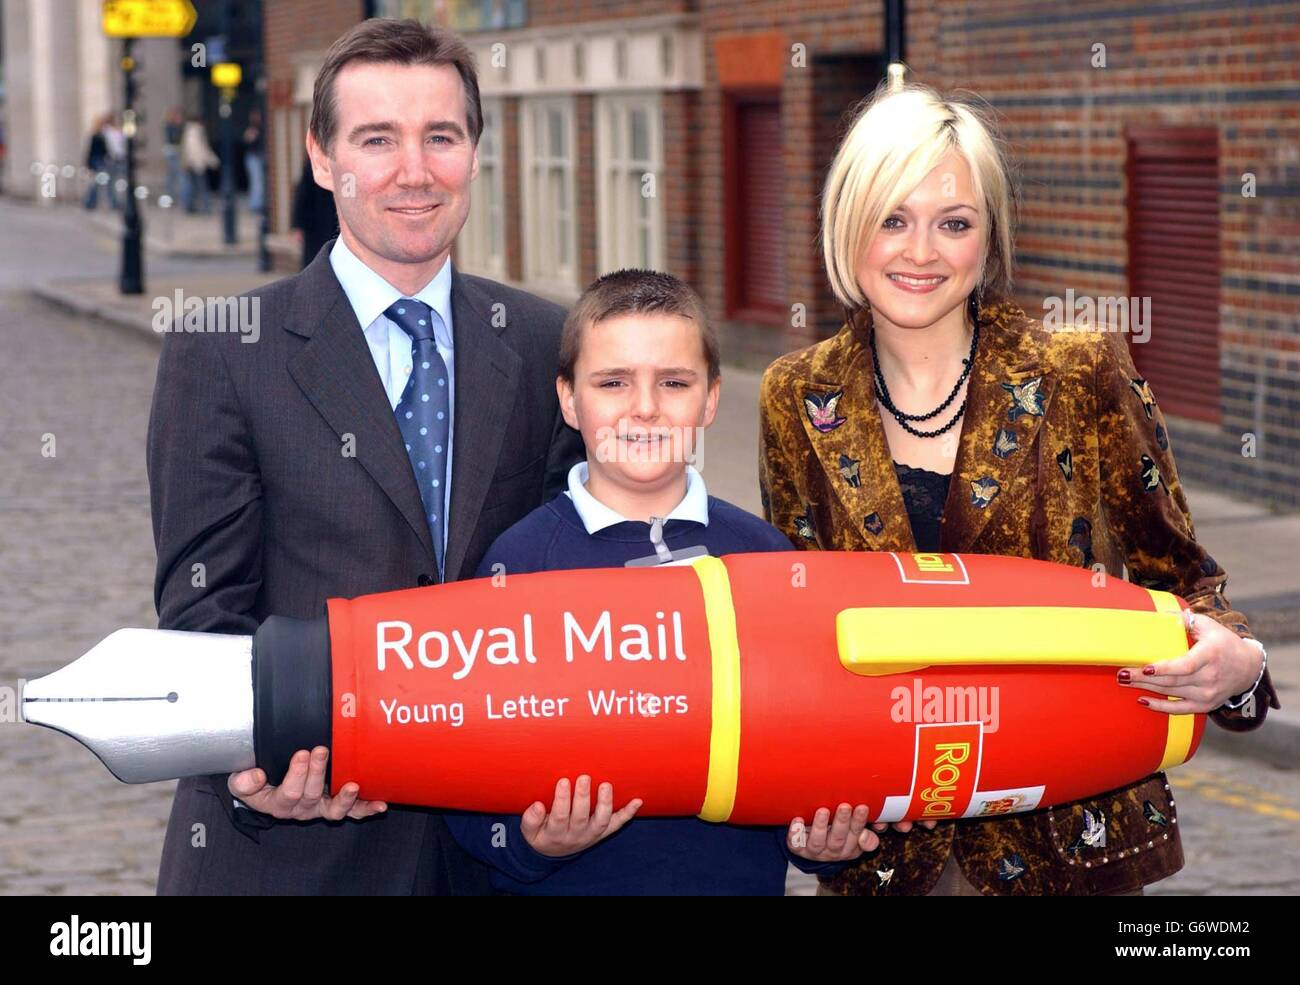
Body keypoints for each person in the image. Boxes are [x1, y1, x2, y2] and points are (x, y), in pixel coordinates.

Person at [758, 81, 1279, 896]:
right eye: (892, 218)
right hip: (888, 850)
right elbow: (800, 625)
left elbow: (1181, 579)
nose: (920, 250)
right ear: (846, 222)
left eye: (953, 222)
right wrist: (808, 810)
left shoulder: (1081, 369)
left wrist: (1238, 664)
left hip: (1071, 840)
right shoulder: (798, 395)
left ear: (989, 236)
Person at [148, 18, 584, 895]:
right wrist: (258, 772)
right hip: (294, 848)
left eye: (441, 137)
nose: (414, 171)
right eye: (376, 139)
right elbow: (202, 620)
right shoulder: (226, 350)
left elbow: (567, 594)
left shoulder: (544, 344)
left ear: (474, 152)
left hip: (491, 853)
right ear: (320, 157)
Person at [445, 269, 878, 894]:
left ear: (709, 398)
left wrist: (818, 845)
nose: (645, 407)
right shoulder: (517, 566)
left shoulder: (770, 562)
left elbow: (810, 756)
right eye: (612, 382)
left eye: (673, 383)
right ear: (568, 399)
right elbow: (462, 772)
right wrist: (528, 841)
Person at [291, 153, 339, 269]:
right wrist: (298, 225)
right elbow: (302, 194)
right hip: (316, 222)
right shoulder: (315, 164)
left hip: (334, 221)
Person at [180, 115, 218, 214]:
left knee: (194, 186)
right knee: (201, 187)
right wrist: (213, 161)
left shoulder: (190, 132)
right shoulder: (195, 132)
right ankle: (204, 207)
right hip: (197, 164)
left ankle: (192, 206)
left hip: (193, 163)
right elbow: (200, 150)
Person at [243, 108, 266, 213]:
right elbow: (247, 140)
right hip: (253, 157)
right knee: (256, 181)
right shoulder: (251, 128)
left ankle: (258, 203)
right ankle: (255, 205)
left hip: (259, 157)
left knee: (259, 181)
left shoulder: (262, 128)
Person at [161, 106, 184, 204]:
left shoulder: (176, 126)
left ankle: (173, 195)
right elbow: (174, 139)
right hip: (172, 152)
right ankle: (171, 196)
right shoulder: (170, 126)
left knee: (174, 175)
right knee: (174, 175)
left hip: (174, 151)